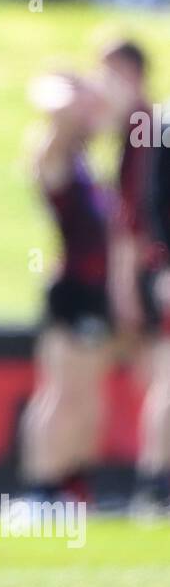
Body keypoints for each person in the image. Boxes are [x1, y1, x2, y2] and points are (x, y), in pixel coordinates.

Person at [19, 74, 113, 501]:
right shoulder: (55, 154)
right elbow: (51, 100)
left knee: (86, 395)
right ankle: (42, 489)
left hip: (95, 289)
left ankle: (73, 484)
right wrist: (72, 89)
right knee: (61, 391)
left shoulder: (85, 160)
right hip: (72, 288)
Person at [102, 41, 170, 516]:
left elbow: (137, 214)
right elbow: (136, 215)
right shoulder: (147, 127)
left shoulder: (147, 126)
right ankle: (153, 485)